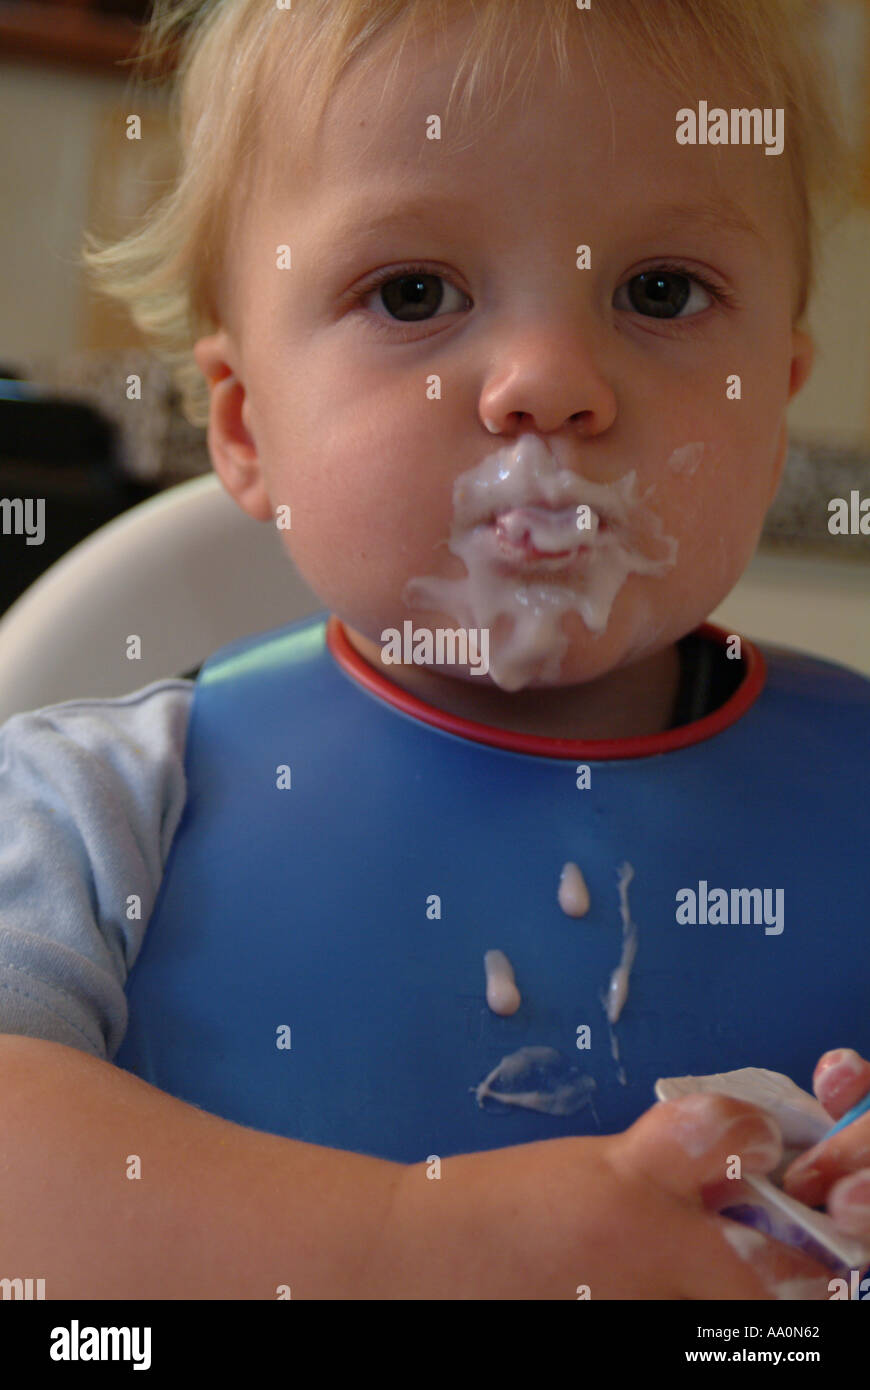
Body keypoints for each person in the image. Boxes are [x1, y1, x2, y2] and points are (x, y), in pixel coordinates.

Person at [1, 0, 868, 1299]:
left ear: (778, 395)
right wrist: (436, 1242)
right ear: (245, 427)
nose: (548, 379)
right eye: (413, 292)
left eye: (658, 291)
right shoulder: (96, 811)